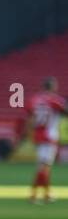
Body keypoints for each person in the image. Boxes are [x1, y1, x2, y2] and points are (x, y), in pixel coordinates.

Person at [27, 76, 65, 204]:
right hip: (49, 136)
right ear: (53, 87)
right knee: (44, 168)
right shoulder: (55, 100)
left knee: (43, 167)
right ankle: (33, 195)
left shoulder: (34, 99)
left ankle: (46, 194)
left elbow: (30, 117)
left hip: (37, 136)